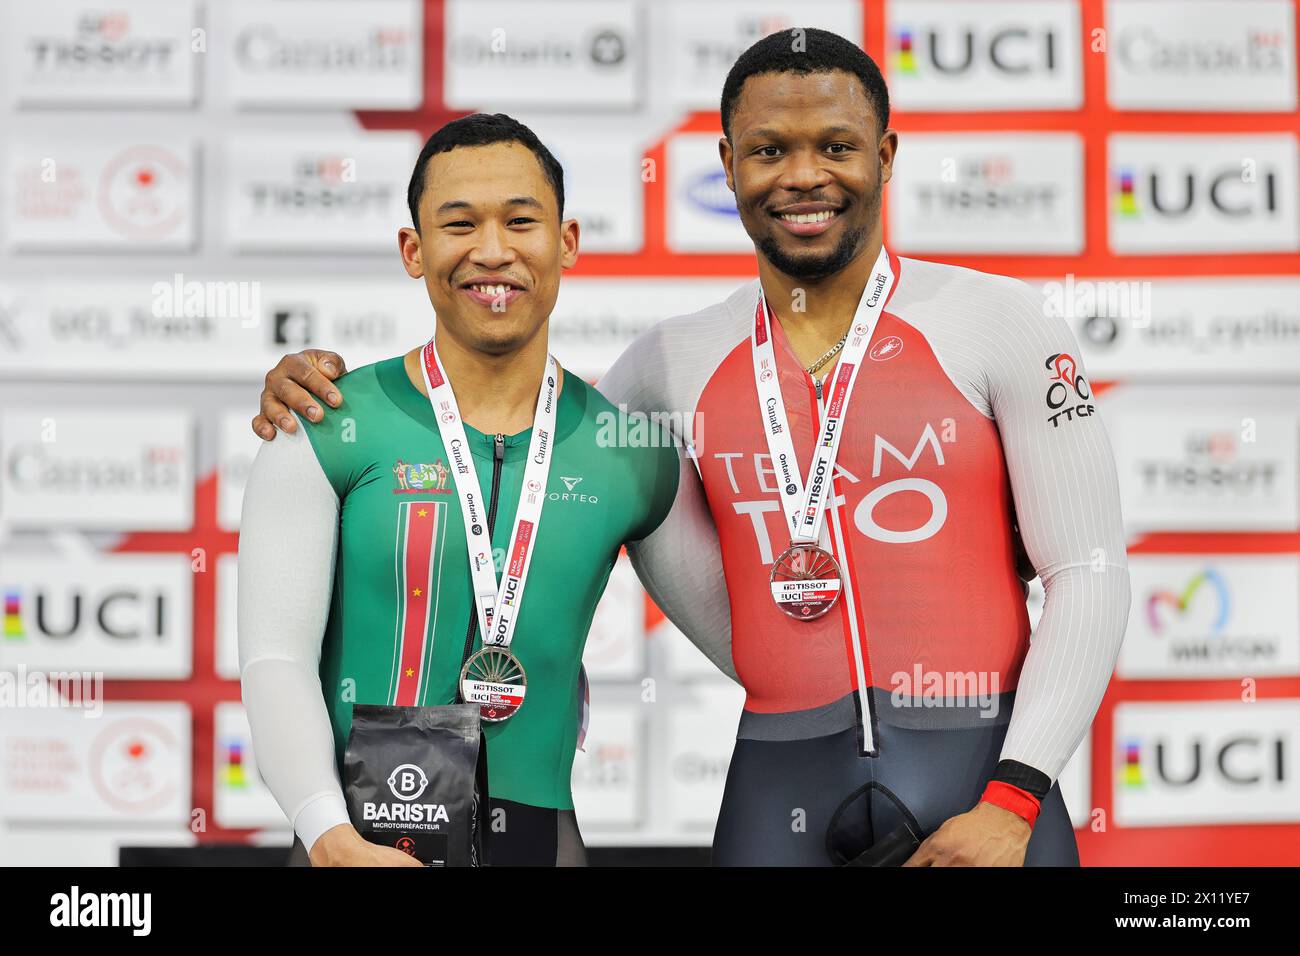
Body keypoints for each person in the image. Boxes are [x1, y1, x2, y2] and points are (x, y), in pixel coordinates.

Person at [249, 29, 1130, 867]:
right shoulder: (667, 367)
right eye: (770, 150)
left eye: (836, 146)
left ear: (886, 158)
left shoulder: (1002, 322)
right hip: (784, 776)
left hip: (982, 776)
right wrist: (310, 387)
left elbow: (1088, 571)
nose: (803, 176)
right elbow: (529, 432)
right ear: (729, 166)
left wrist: (1017, 792)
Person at [237, 114, 722, 867]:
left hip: (540, 844)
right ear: (414, 249)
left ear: (566, 243)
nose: (492, 251)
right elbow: (275, 661)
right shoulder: (321, 421)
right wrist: (327, 834)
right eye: (458, 224)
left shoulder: (629, 451)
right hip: (352, 848)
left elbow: (754, 643)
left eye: (521, 221)